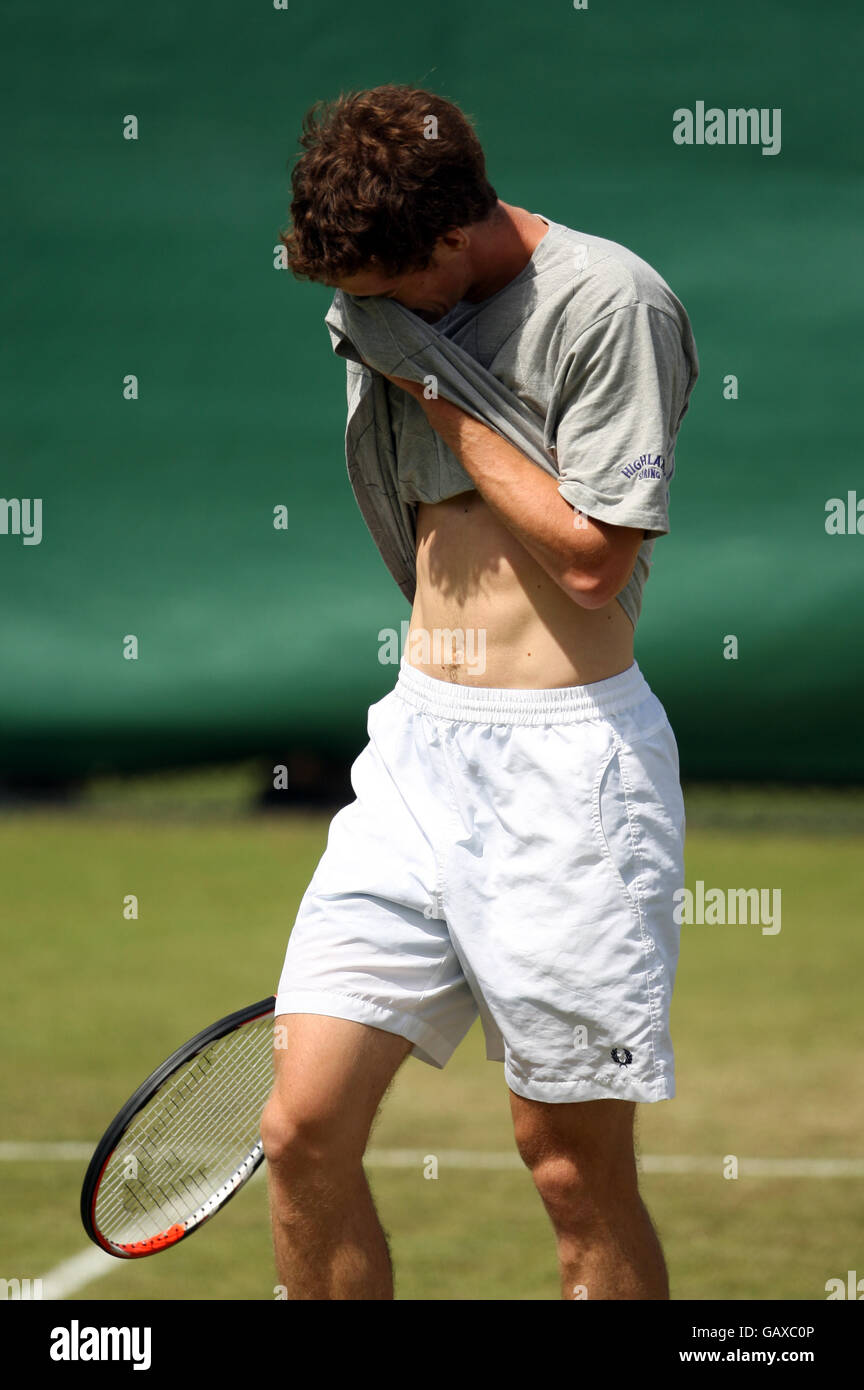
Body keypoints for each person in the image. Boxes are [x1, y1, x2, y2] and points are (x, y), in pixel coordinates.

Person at [261, 84, 699, 1300]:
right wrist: (399, 338)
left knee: (568, 1170)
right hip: (412, 752)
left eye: (395, 283)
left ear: (455, 237)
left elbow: (591, 560)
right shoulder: (382, 305)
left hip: (572, 773)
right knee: (299, 1129)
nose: (374, 309)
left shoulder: (612, 301)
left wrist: (437, 385)